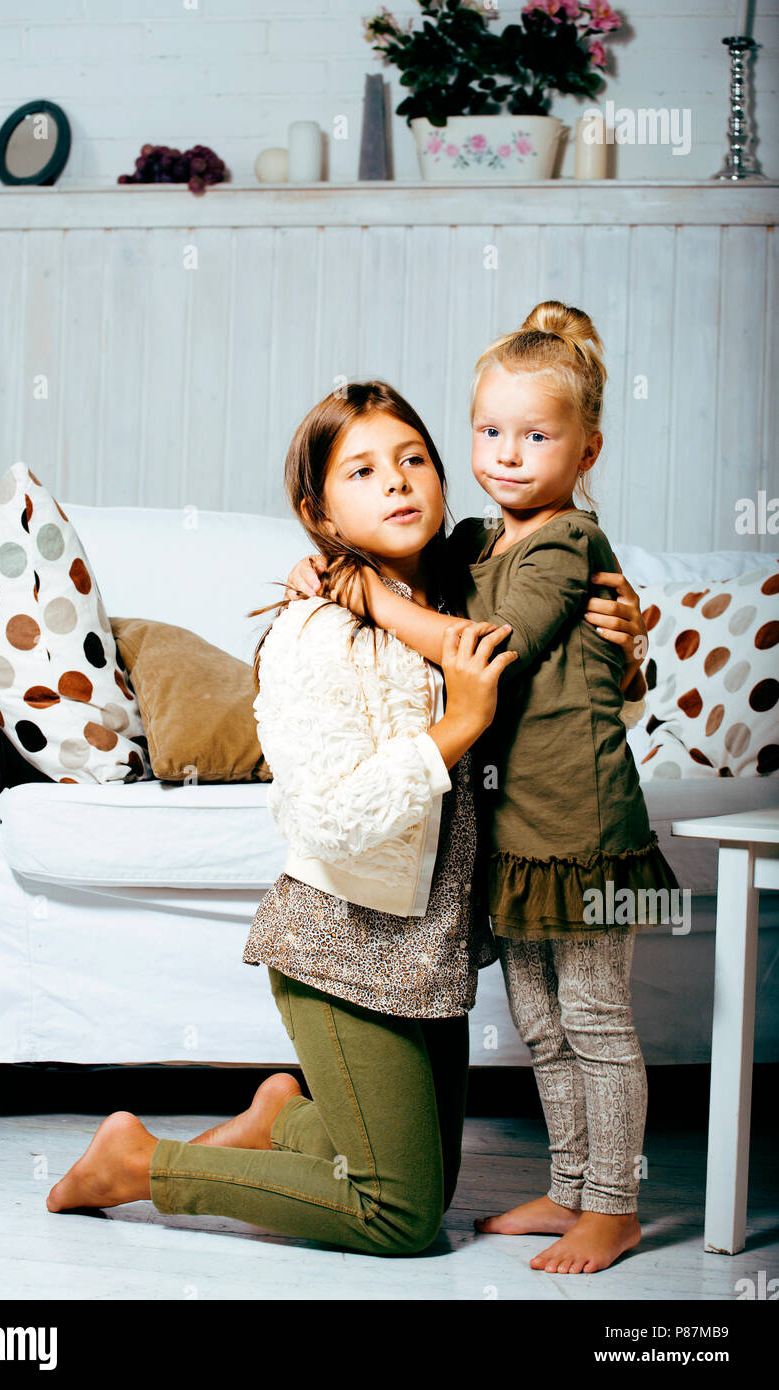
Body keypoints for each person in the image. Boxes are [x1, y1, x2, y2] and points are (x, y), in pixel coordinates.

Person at [47, 380, 517, 1254]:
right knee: (399, 1215)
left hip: (431, 945)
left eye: (414, 459)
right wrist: (458, 725)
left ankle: (282, 1118)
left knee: (428, 1184)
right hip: (342, 944)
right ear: (319, 511)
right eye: (364, 470)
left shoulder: (463, 598)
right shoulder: (315, 634)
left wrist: (624, 637)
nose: (398, 482)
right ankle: (143, 1162)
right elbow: (330, 818)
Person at [284, 302, 675, 1273]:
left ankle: (616, 1205)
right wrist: (330, 570)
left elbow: (486, 650)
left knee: (593, 1019)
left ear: (588, 451)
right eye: (489, 432)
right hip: (520, 834)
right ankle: (572, 1185)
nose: (507, 453)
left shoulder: (565, 546)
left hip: (582, 831)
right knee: (542, 1021)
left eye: (536, 435)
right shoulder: (476, 546)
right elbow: (427, 588)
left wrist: (364, 590)